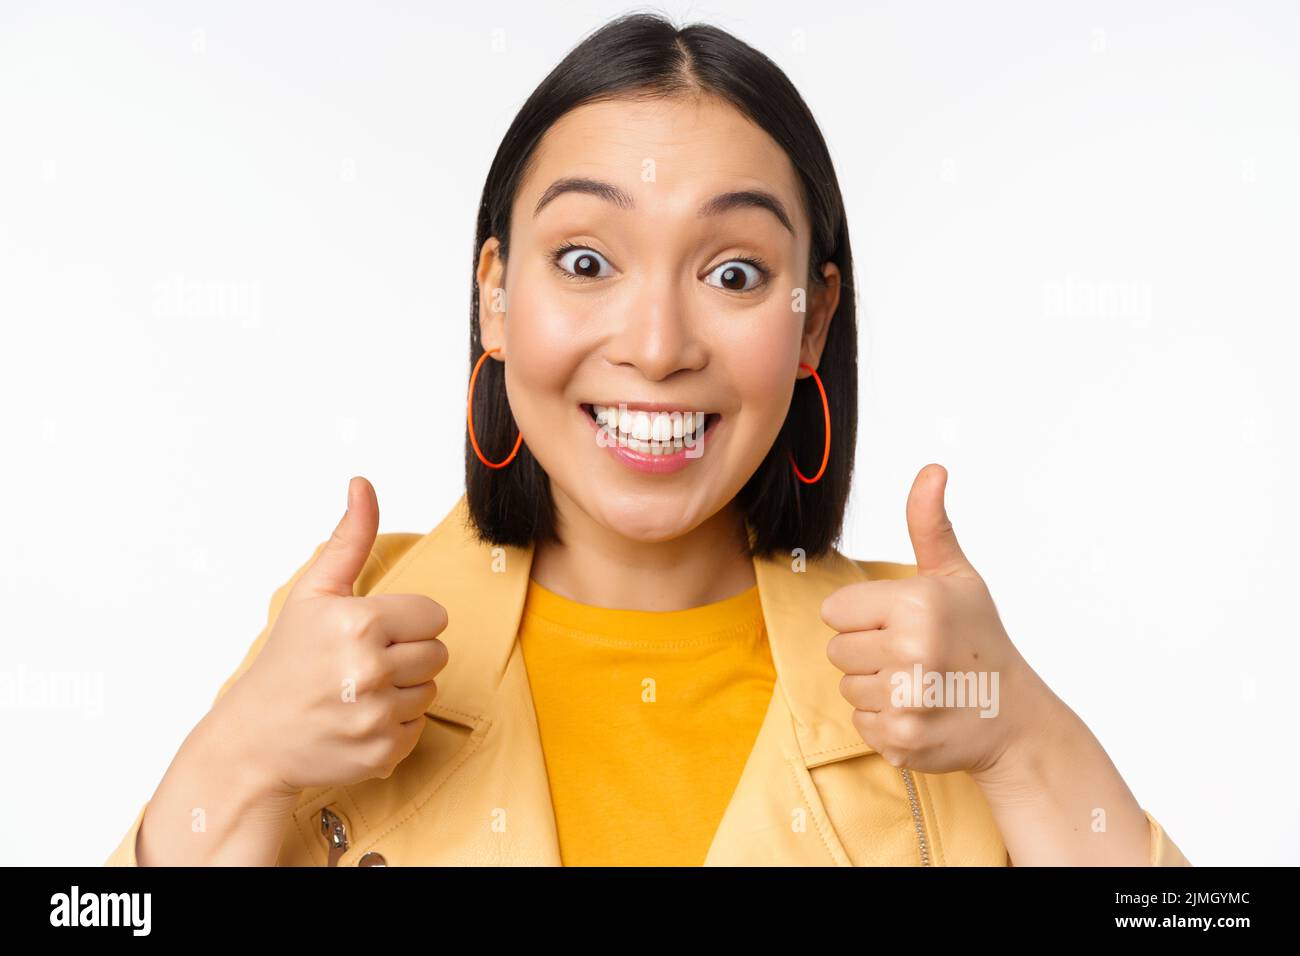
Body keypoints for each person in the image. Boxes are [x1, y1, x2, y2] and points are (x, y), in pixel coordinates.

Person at [106, 12, 1189, 867]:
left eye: (733, 273)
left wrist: (1025, 733)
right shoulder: (331, 655)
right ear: (493, 294)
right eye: (586, 261)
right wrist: (238, 755)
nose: (660, 345)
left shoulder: (937, 681)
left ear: (812, 320)